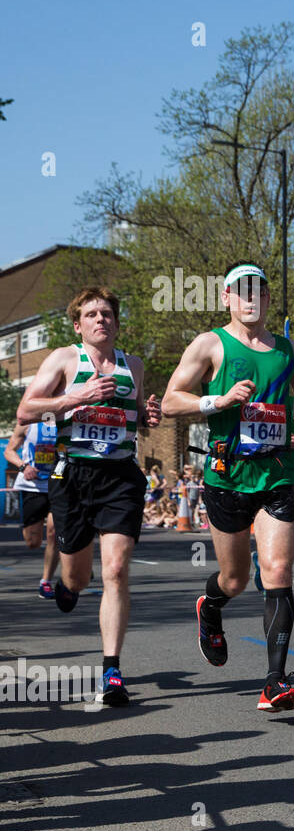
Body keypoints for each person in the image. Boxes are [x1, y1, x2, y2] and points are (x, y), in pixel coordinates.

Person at [162, 261, 294, 713]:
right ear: (227, 298)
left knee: (278, 571)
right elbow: (173, 399)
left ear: (269, 299)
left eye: (260, 291)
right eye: (241, 290)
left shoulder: (288, 349)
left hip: (277, 474)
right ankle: (210, 608)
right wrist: (219, 400)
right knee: (233, 579)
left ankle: (274, 681)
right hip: (227, 476)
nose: (251, 298)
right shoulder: (211, 343)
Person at [16, 286, 163, 705]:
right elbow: (27, 411)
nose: (101, 319)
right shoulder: (64, 359)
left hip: (119, 476)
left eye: (108, 314)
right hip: (73, 476)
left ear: (117, 322)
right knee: (78, 577)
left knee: (115, 569)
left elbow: (137, 420)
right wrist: (75, 397)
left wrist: (148, 416)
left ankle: (112, 669)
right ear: (78, 324)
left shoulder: (131, 365)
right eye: (92, 314)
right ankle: (69, 586)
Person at [4, 416, 60, 598]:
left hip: (58, 484)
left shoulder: (67, 420)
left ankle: (46, 582)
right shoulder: (28, 422)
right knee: (32, 542)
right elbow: (9, 451)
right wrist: (23, 466)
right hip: (32, 486)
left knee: (54, 533)